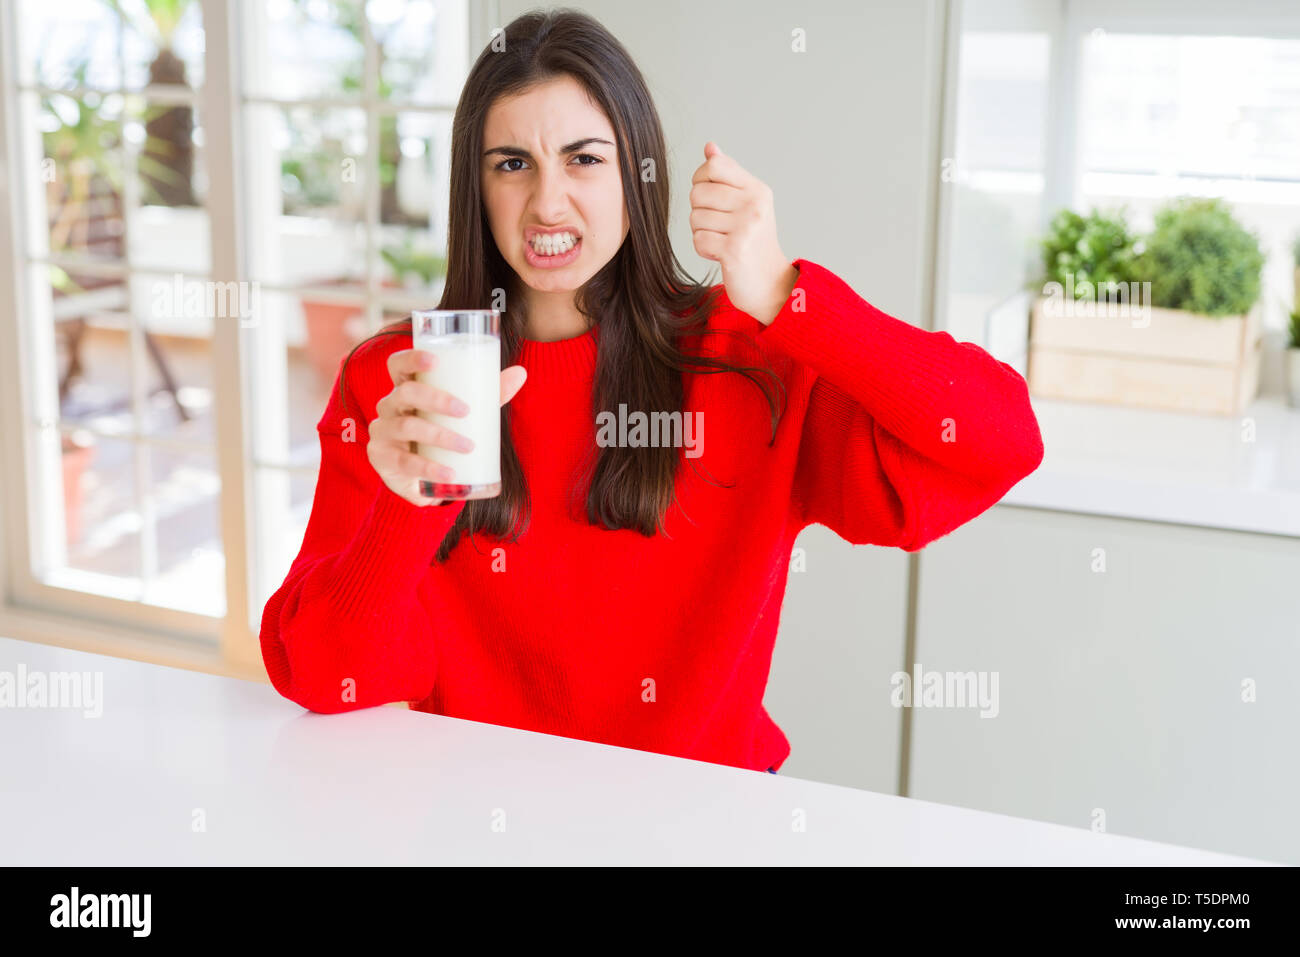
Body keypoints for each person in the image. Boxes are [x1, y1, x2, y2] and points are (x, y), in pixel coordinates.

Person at [259, 8, 1044, 776]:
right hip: (481, 823)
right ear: (476, 185)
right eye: (512, 163)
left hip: (705, 826)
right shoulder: (399, 381)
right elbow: (327, 676)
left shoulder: (747, 358)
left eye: (584, 159)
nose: (548, 203)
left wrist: (785, 294)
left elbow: (1000, 439)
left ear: (640, 173)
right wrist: (405, 502)